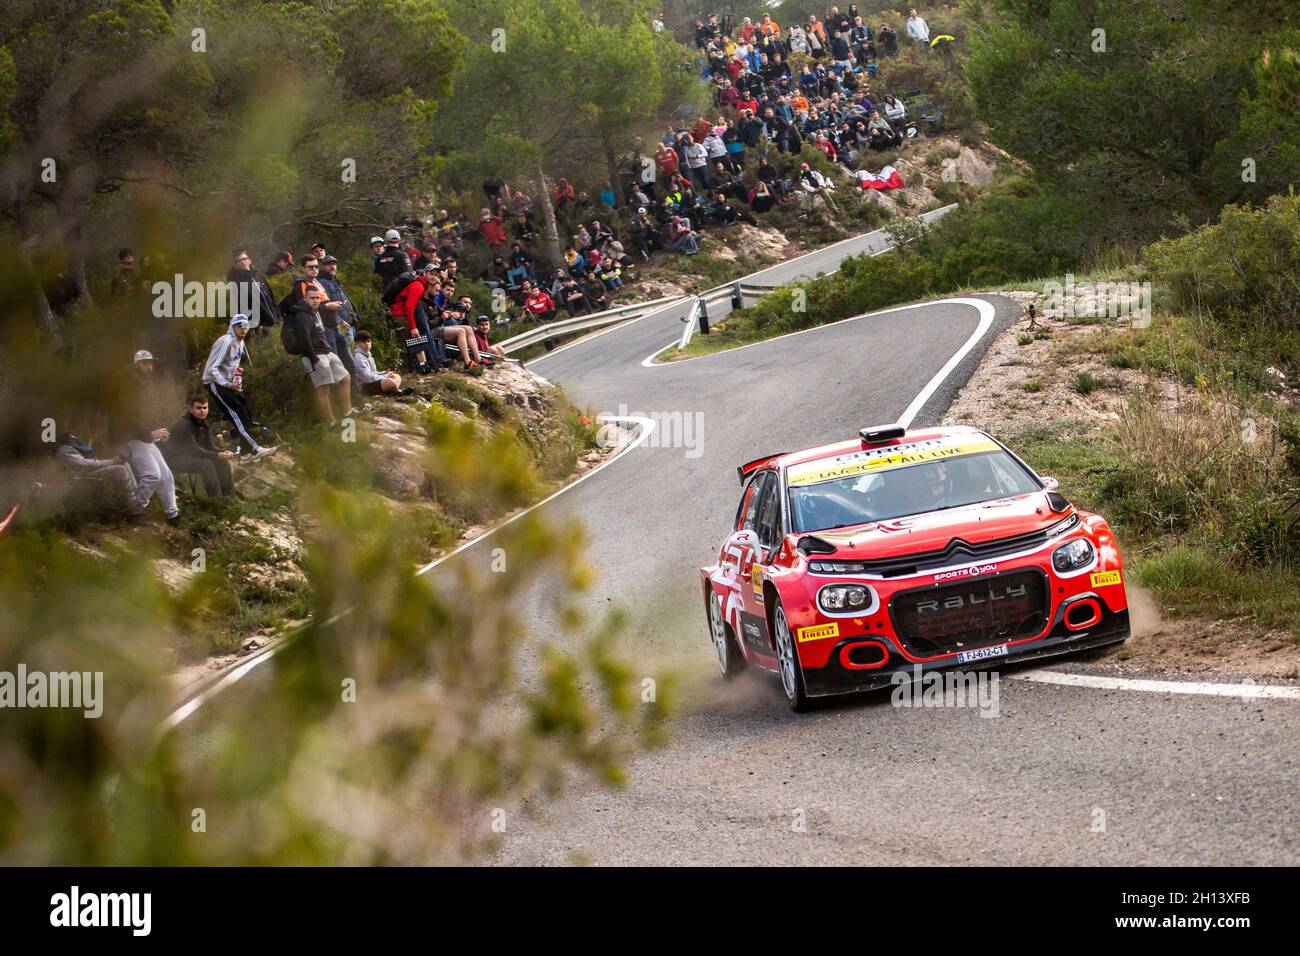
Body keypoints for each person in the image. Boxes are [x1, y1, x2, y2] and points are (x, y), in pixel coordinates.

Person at [113, 351, 181, 523]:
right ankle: (135, 511)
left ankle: (173, 515)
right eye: (144, 363)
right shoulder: (128, 387)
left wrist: (159, 433)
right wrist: (150, 434)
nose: (149, 367)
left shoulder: (147, 386)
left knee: (166, 476)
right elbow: (127, 418)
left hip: (143, 438)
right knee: (153, 475)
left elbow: (149, 417)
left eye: (150, 363)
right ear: (136, 365)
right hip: (127, 438)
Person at [201, 314, 276, 458]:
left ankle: (245, 453)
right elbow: (213, 368)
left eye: (246, 326)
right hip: (214, 382)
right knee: (237, 413)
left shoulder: (240, 343)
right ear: (233, 327)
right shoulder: (226, 341)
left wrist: (236, 381)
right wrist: (228, 384)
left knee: (245, 408)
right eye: (239, 326)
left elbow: (232, 365)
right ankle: (254, 449)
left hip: (228, 383)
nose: (243, 329)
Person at [286, 286, 353, 424]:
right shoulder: (302, 315)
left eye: (317, 298)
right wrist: (314, 359)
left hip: (326, 352)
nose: (315, 300)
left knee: (345, 378)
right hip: (316, 355)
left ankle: (348, 412)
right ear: (305, 298)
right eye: (312, 298)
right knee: (323, 389)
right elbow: (304, 339)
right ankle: (331, 423)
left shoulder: (315, 311)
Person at [163, 394, 237, 497]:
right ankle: (215, 499)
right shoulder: (185, 425)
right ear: (191, 409)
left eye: (205, 408)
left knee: (222, 462)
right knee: (206, 464)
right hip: (175, 459)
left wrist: (222, 452)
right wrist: (217, 455)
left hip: (190, 455)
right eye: (198, 408)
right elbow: (195, 451)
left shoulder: (204, 423)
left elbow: (209, 446)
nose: (202, 411)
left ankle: (229, 496)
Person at [54, 432, 137, 512]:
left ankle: (135, 496)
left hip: (89, 472)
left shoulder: (76, 448)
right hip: (80, 477)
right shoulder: (63, 450)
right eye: (72, 437)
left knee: (124, 463)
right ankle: (132, 504)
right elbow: (85, 464)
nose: (76, 439)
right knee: (120, 469)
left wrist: (114, 461)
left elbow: (92, 462)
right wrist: (111, 462)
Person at [226, 248, 279, 330]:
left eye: (244, 259)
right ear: (236, 265)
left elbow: (270, 295)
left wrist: (277, 315)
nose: (242, 262)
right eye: (238, 261)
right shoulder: (238, 282)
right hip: (259, 326)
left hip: (273, 321)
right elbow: (240, 306)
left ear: (249, 261)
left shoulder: (258, 275)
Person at [351, 330, 406, 396]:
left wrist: (384, 372)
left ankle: (394, 391)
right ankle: (397, 391)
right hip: (363, 386)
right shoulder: (358, 358)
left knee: (397, 376)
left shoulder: (369, 356)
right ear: (357, 343)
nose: (367, 344)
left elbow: (374, 373)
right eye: (363, 342)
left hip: (371, 382)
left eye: (368, 341)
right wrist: (385, 376)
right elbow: (367, 378)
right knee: (390, 382)